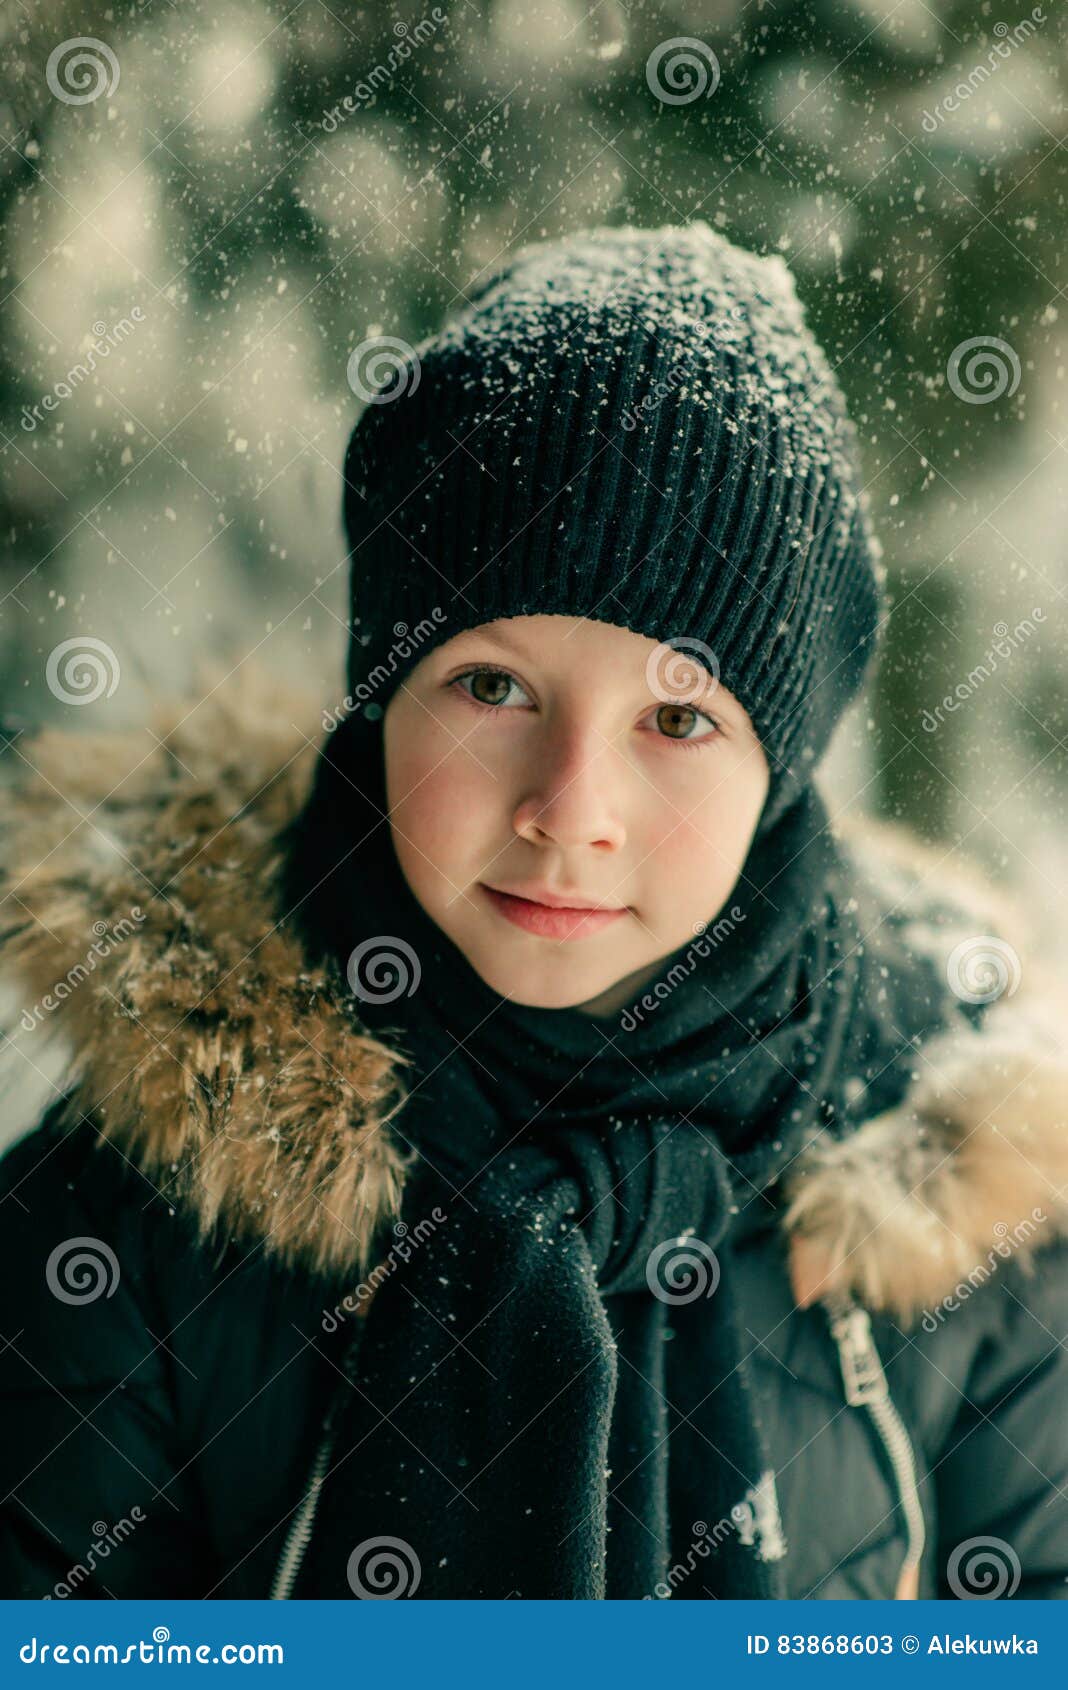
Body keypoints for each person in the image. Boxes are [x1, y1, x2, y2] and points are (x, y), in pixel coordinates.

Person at [1, 223, 1067, 1602]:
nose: (571, 809)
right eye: (493, 687)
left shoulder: (964, 1209)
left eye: (679, 715)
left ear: (783, 769)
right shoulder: (134, 1219)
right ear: (384, 685)